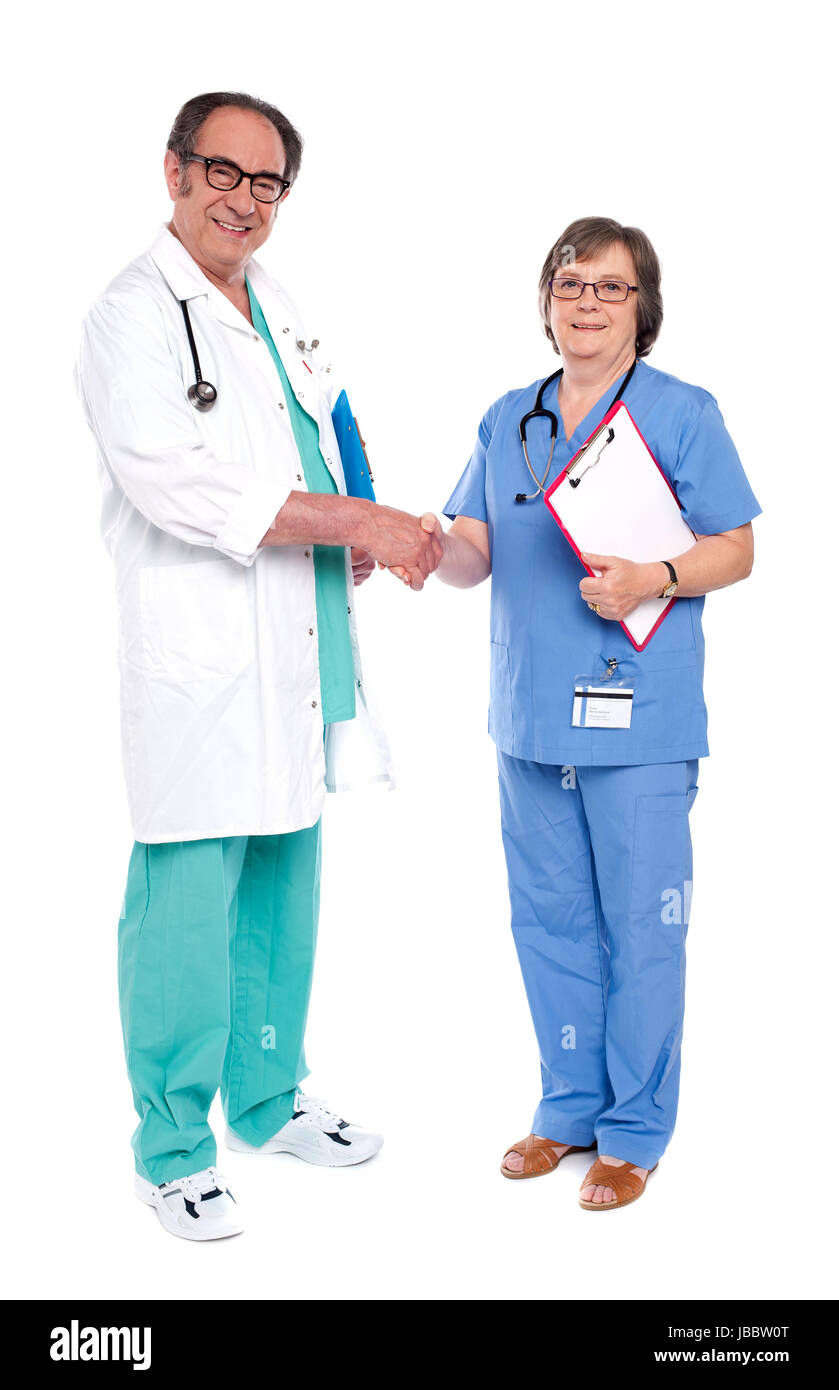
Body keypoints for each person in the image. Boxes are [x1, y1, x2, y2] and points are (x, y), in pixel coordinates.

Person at [75, 90, 442, 1242]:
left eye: (266, 181)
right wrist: (353, 523)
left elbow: (325, 418)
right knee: (185, 902)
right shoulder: (130, 314)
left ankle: (269, 1097)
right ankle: (172, 1148)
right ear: (174, 172)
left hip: (295, 631)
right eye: (222, 173)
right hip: (199, 653)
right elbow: (178, 483)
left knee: (286, 877)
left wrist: (365, 518)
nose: (244, 198)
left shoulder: (273, 303)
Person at [407, 216, 759, 1210]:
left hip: (637, 725)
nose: (587, 301)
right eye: (570, 282)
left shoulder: (681, 412)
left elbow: (734, 546)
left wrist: (656, 572)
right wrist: (420, 554)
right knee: (548, 921)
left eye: (610, 286)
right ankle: (566, 1106)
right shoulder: (507, 418)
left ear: (641, 308)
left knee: (639, 929)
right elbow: (474, 546)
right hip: (528, 719)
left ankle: (633, 1132)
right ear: (545, 299)